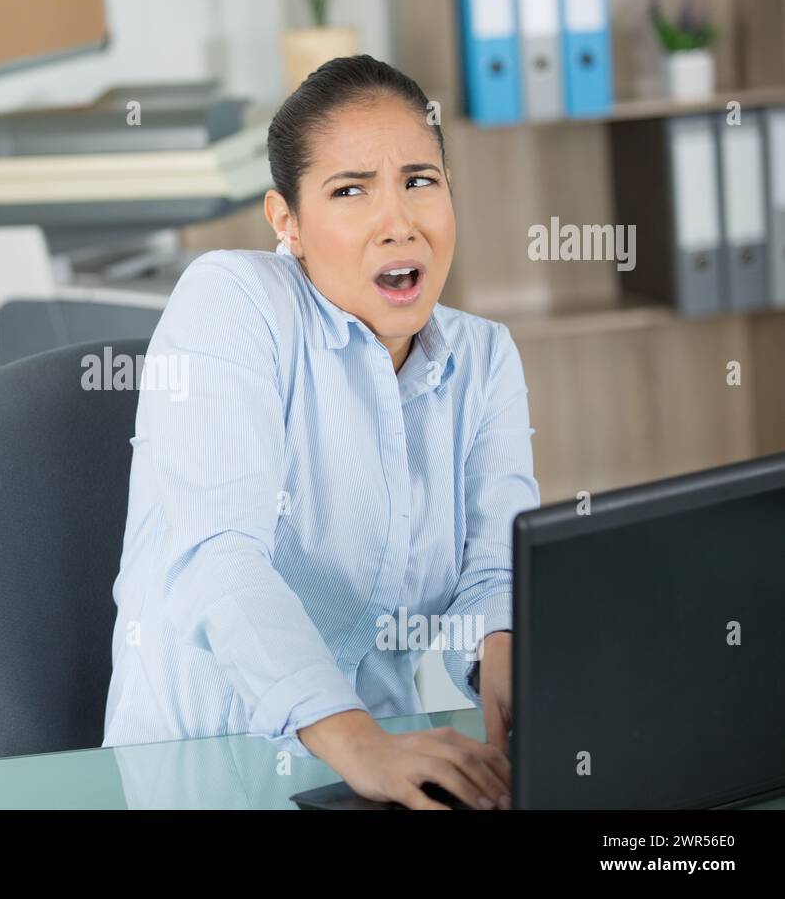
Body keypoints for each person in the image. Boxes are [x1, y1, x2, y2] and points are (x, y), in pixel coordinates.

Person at [103, 55, 539, 810]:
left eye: (420, 180)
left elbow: (494, 570)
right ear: (288, 223)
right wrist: (359, 741)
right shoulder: (231, 303)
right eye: (350, 192)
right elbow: (220, 556)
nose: (397, 222)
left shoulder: (484, 357)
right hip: (203, 782)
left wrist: (504, 660)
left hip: (379, 786)